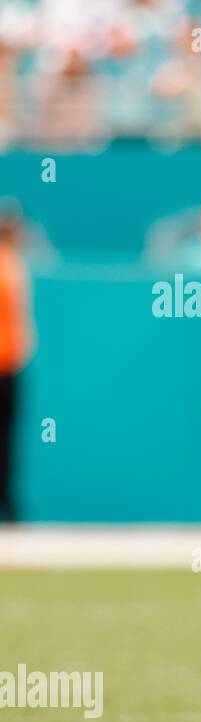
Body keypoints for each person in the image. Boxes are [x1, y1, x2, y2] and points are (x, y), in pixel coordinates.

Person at [0, 208, 34, 522]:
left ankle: (9, 508)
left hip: (10, 367)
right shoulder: (10, 265)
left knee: (8, 442)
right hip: (9, 365)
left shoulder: (14, 263)